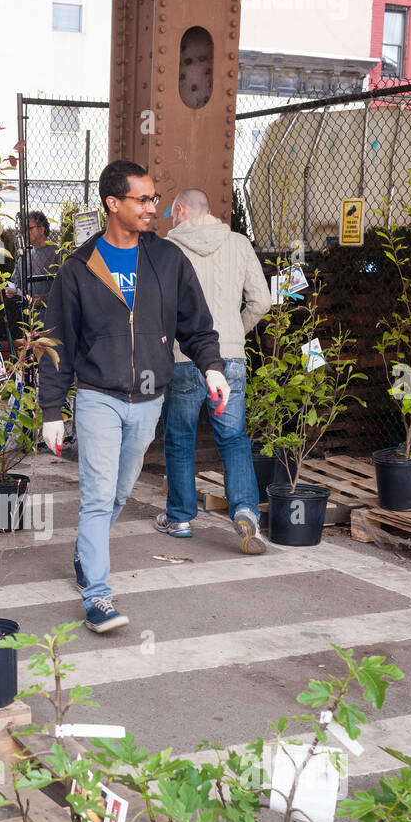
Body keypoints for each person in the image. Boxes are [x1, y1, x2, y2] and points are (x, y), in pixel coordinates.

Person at [39, 159, 228, 634]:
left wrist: (213, 368)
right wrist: (51, 411)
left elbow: (197, 325)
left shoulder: (167, 260)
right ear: (113, 204)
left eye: (154, 199)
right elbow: (56, 341)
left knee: (119, 492)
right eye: (142, 200)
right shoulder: (79, 269)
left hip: (149, 399)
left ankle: (86, 555)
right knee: (99, 497)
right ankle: (97, 595)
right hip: (98, 396)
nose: (152, 208)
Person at [158, 188, 272, 554]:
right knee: (234, 438)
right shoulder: (238, 243)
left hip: (182, 356)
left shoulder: (167, 248)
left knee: (180, 437)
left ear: (179, 210)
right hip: (231, 358)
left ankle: (179, 518)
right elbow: (262, 301)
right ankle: (246, 511)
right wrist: (234, 333)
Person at [5, 211, 60, 313]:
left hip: (52, 316)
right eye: (23, 229)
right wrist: (10, 290)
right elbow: (14, 282)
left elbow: (66, 287)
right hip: (29, 318)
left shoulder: (58, 253)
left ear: (42, 229)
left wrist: (44, 299)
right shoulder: (24, 255)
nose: (25, 233)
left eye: (29, 229)